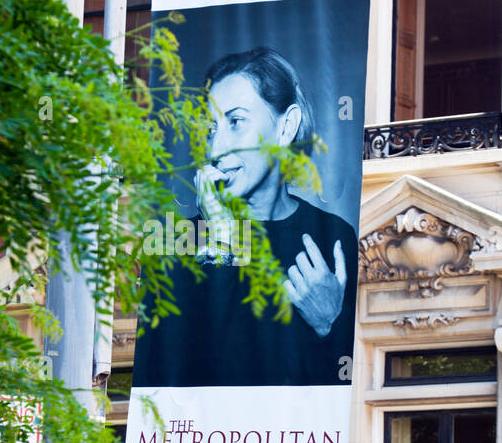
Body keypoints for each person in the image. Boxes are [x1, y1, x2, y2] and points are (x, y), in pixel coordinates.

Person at [134, 46, 358, 388]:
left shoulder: (332, 236)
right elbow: (169, 373)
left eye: (236, 122)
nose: (216, 150)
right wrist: (220, 238)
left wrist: (329, 326)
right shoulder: (169, 241)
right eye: (210, 128)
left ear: (286, 128)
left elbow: (341, 389)